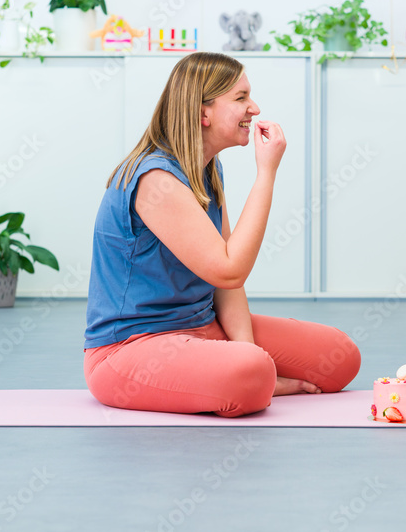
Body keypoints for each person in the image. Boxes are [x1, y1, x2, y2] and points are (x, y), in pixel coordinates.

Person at [84, 52, 360, 417]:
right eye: (241, 98)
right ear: (204, 113)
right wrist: (266, 174)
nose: (254, 108)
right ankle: (248, 379)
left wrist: (248, 350)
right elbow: (230, 270)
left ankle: (250, 377)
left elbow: (226, 285)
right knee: (251, 373)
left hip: (203, 327)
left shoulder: (207, 169)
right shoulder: (156, 181)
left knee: (339, 357)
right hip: (129, 349)